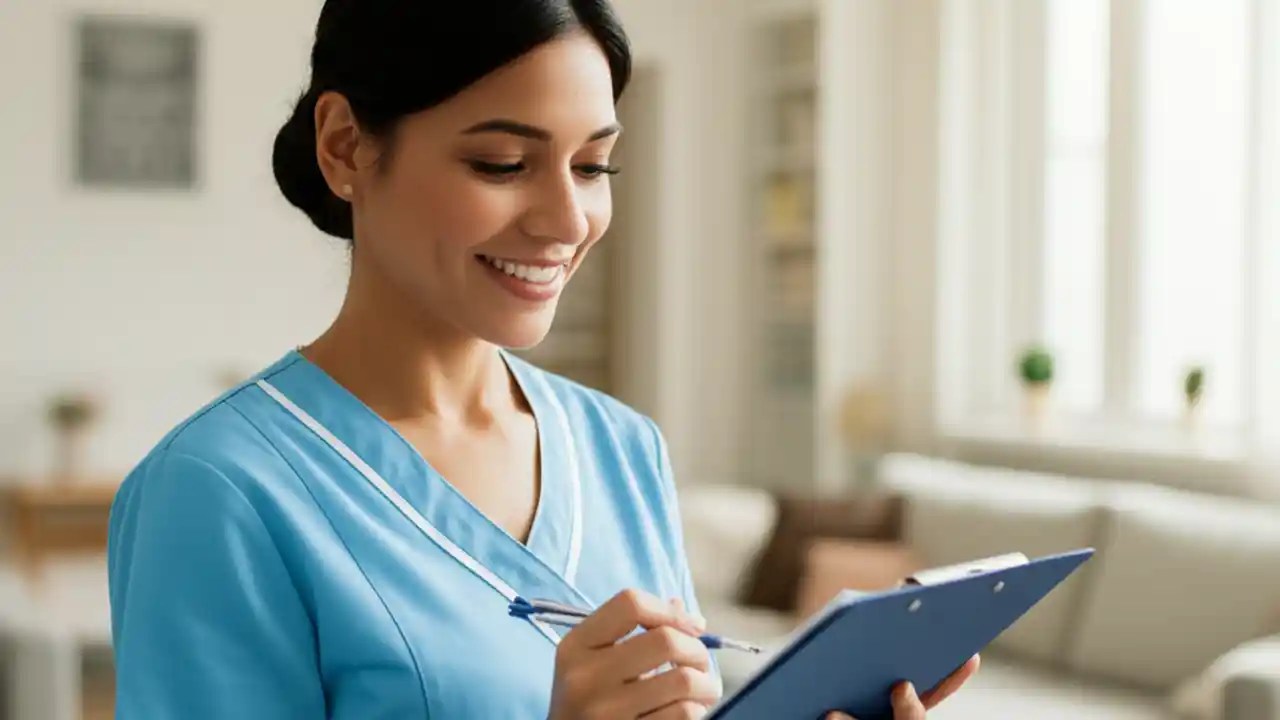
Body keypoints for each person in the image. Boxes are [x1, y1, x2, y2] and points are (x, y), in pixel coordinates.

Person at [106, 1, 977, 718]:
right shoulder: (218, 492)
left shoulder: (622, 448)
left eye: (595, 165)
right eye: (504, 162)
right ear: (345, 148)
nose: (568, 221)